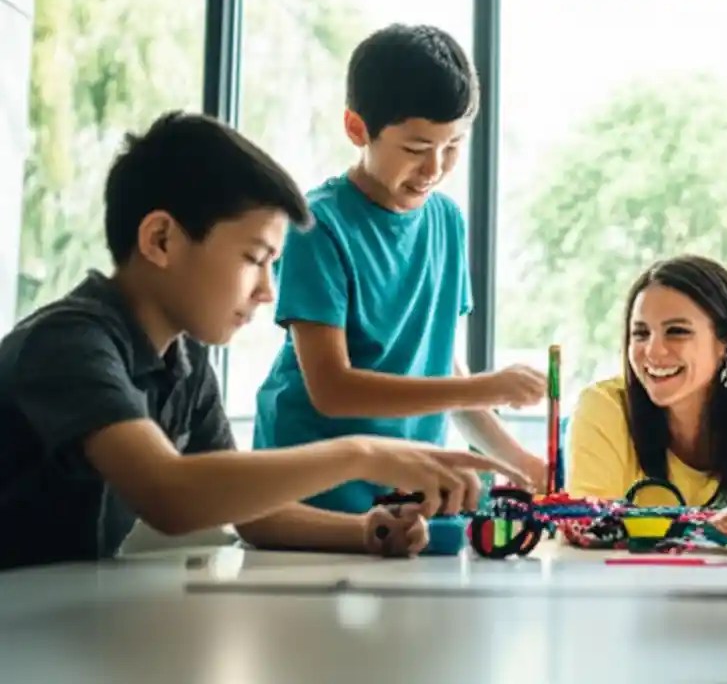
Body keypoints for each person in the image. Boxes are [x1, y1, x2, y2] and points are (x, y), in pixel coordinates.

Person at [0, 111, 526, 570]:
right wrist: (363, 453)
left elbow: (252, 515)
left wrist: (369, 531)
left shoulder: (183, 361)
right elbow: (168, 494)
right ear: (161, 239)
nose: (267, 292)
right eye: (254, 259)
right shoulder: (68, 343)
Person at [253, 23, 545, 515]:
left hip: (408, 497)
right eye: (415, 149)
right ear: (357, 129)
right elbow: (332, 390)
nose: (435, 168)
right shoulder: (316, 225)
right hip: (310, 498)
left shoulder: (447, 221)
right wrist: (487, 386)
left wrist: (520, 463)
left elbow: (442, 370)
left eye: (453, 145)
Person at [566, 255, 727, 534]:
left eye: (677, 332)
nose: (653, 351)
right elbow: (588, 534)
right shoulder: (604, 407)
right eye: (641, 333)